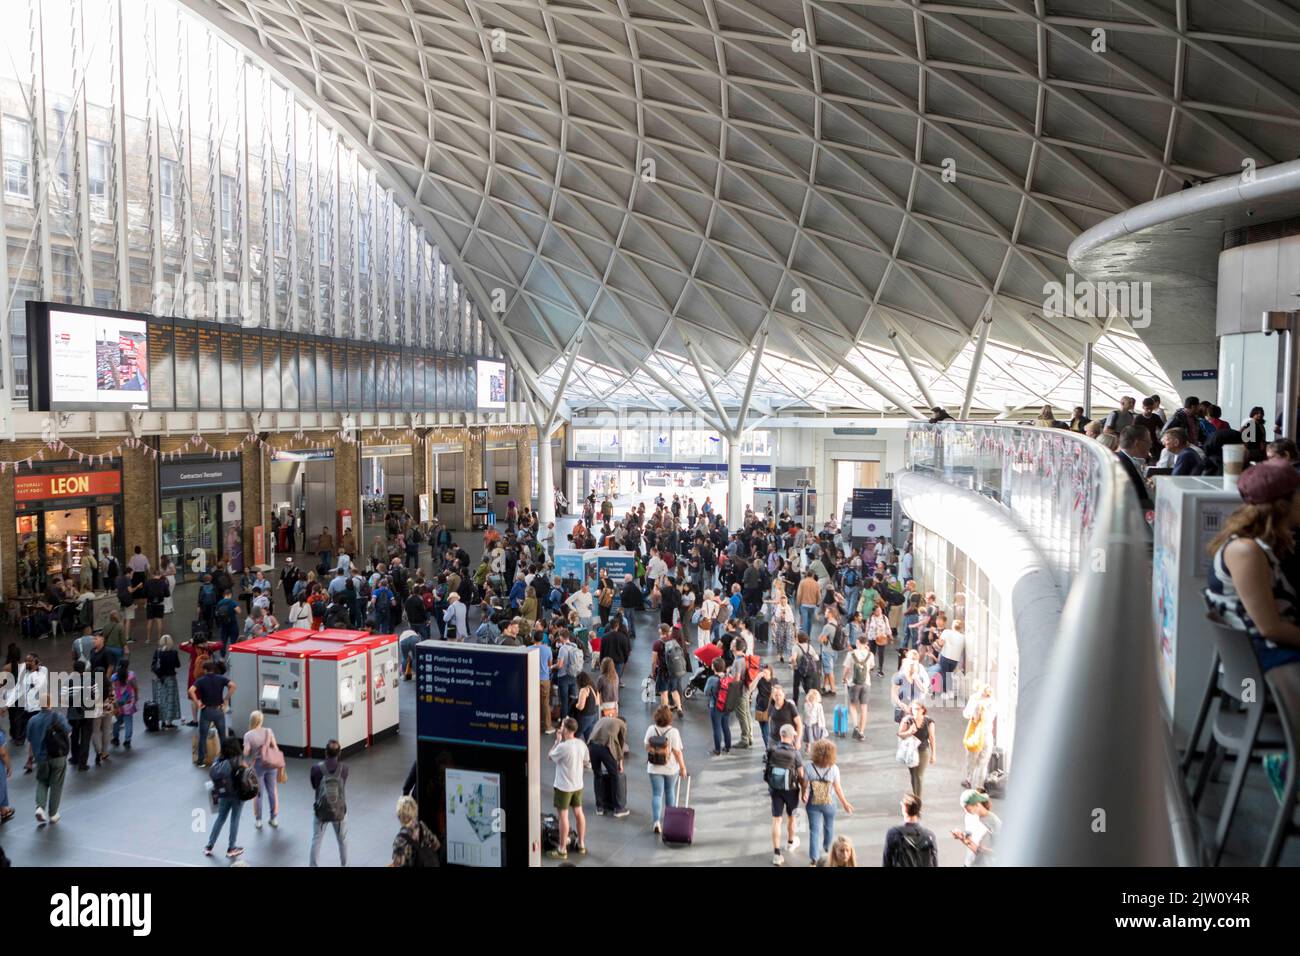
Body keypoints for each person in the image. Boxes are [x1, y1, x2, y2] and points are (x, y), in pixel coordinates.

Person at [1205, 460, 1300, 672]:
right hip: (1265, 659)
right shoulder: (1245, 551)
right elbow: (1271, 629)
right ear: (1283, 505)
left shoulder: (1261, 544)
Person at [802, 738, 853, 865]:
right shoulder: (834, 769)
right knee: (828, 827)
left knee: (814, 830)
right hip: (829, 803)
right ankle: (827, 852)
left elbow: (804, 784)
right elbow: (838, 788)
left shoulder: (809, 767)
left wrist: (804, 794)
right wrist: (845, 803)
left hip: (813, 803)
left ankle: (814, 859)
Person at [547, 717, 589, 860]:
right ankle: (581, 844)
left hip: (564, 787)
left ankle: (562, 849)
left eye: (562, 726)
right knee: (579, 813)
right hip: (578, 785)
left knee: (563, 816)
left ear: (566, 729)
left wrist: (557, 741)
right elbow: (585, 761)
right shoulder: (581, 744)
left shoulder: (563, 747)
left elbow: (549, 757)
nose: (560, 728)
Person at [26, 694, 71, 825]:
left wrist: (30, 756)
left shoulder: (32, 720)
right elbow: (68, 732)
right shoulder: (58, 717)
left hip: (41, 757)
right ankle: (53, 813)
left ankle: (40, 807)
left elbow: (29, 739)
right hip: (58, 756)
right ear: (51, 702)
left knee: (42, 781)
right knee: (57, 784)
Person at [765, 723, 805, 866]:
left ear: (781, 736)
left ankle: (776, 854)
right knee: (792, 817)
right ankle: (790, 843)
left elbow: (767, 767)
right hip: (791, 790)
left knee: (776, 820)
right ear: (792, 736)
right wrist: (804, 791)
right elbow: (801, 774)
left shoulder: (772, 749)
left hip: (775, 789)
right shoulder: (795, 753)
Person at [644, 704, 687, 836]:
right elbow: (677, 752)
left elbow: (646, 747)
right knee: (670, 792)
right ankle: (670, 821)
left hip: (654, 767)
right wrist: (683, 768)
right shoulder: (674, 732)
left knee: (657, 794)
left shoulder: (651, 729)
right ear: (670, 718)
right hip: (670, 768)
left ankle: (656, 822)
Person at [204, 736, 246, 860]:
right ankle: (231, 848)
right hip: (237, 795)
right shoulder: (238, 760)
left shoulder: (218, 760)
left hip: (223, 794)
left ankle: (209, 846)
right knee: (235, 819)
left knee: (220, 818)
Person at [310, 739, 349, 866]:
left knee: (317, 839)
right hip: (339, 811)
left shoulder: (316, 768)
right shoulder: (345, 769)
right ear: (339, 753)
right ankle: (344, 865)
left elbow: (315, 786)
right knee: (342, 840)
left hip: (321, 810)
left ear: (325, 752)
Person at [188, 660, 235, 765]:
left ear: (205, 670)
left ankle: (201, 760)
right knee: (222, 735)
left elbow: (191, 691)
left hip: (206, 711)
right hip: (219, 710)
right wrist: (226, 698)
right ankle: (224, 758)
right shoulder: (221, 678)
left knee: (203, 736)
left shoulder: (201, 680)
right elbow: (233, 686)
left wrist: (197, 702)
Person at [243, 710, 282, 830]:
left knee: (258, 793)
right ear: (261, 720)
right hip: (270, 764)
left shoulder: (248, 735)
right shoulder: (269, 731)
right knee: (272, 791)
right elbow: (275, 747)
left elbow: (246, 752)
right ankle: (274, 818)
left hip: (258, 766)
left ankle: (258, 820)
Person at [882, 792, 939, 867]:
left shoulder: (893, 833)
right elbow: (934, 863)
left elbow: (887, 862)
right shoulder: (930, 835)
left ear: (905, 808)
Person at [898, 700, 937, 798]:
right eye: (913, 709)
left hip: (922, 751)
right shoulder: (907, 720)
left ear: (923, 710)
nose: (915, 711)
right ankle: (916, 795)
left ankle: (918, 799)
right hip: (910, 751)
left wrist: (933, 754)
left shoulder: (929, 722)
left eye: (917, 709)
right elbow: (900, 734)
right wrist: (909, 732)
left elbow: (932, 738)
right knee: (913, 774)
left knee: (919, 775)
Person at [962, 683, 998, 789]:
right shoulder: (993, 702)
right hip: (988, 735)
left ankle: (969, 780)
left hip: (976, 735)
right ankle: (979, 785)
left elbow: (968, 714)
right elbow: (994, 716)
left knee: (971, 759)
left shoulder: (975, 700)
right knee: (983, 762)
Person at [390, 795, 439, 867]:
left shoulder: (399, 840)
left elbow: (398, 864)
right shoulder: (422, 826)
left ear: (399, 815)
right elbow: (436, 845)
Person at [954, 789, 1000, 866]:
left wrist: (983, 850)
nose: (966, 812)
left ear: (977, 804)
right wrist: (961, 837)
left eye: (968, 809)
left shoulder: (994, 822)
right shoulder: (969, 817)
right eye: (964, 809)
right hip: (969, 863)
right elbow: (970, 842)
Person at [841, 635, 874, 741]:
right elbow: (872, 667)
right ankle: (861, 731)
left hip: (853, 683)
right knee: (864, 707)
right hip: (866, 683)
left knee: (853, 705)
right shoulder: (870, 654)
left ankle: (855, 725)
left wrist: (844, 678)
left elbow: (846, 669)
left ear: (858, 642)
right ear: (866, 643)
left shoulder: (851, 654)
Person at [703, 658, 734, 756]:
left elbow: (706, 693)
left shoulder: (712, 679)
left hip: (715, 706)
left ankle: (717, 750)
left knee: (717, 728)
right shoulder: (728, 677)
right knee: (726, 726)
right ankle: (728, 747)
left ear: (713, 667)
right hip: (727, 705)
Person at [150, 635, 182, 730]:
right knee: (170, 700)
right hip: (171, 678)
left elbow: (153, 665)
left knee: (161, 699)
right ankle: (169, 722)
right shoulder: (174, 652)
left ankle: (163, 720)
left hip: (160, 678)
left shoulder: (158, 652)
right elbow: (178, 665)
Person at [110, 658, 139, 749]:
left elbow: (112, 689)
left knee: (116, 721)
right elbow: (135, 687)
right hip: (128, 701)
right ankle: (127, 740)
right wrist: (136, 696)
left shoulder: (114, 676)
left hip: (118, 702)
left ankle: (115, 738)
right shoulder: (131, 675)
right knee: (128, 721)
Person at [572, 672, 601, 741]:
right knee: (589, 738)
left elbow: (580, 706)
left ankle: (571, 750)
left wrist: (575, 703)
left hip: (585, 717)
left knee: (574, 736)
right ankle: (589, 751)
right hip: (594, 716)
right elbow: (597, 702)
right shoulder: (593, 687)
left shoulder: (584, 690)